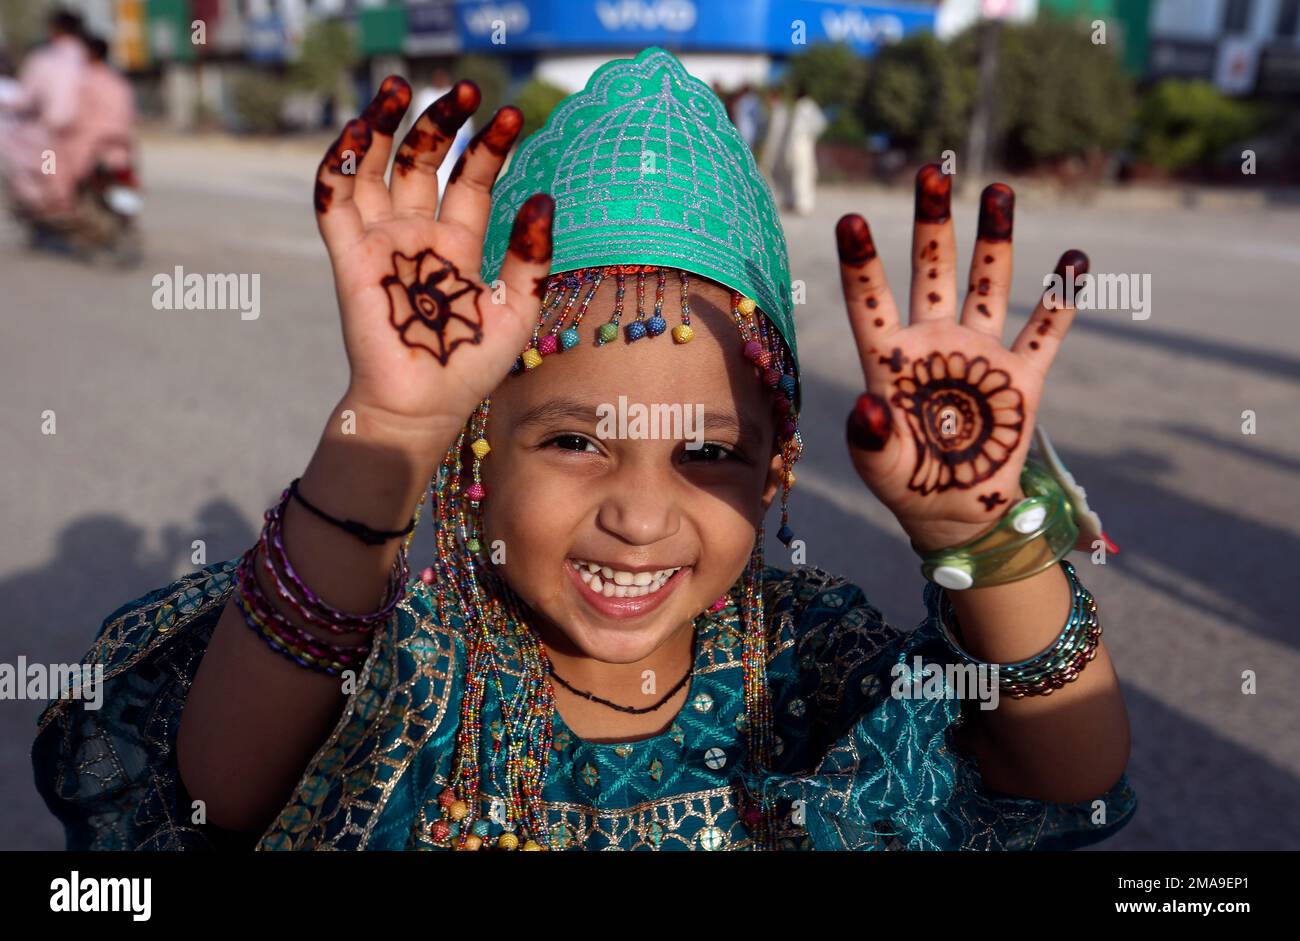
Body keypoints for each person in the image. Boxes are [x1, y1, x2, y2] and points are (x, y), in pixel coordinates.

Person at [34, 48, 1135, 851]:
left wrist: (980, 536)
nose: (641, 517)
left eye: (707, 457)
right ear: (479, 450)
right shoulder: (411, 661)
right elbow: (211, 806)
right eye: (573, 440)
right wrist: (393, 428)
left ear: (777, 470)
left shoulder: (812, 661)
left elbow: (1065, 778)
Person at [0, 9, 87, 219]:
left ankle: (44, 210)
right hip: (84, 133)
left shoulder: (46, 60)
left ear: (54, 30)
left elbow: (25, 99)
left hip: (52, 136)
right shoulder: (88, 58)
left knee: (42, 170)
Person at [62, 36, 136, 187]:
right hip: (120, 141)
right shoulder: (119, 82)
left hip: (91, 144)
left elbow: (72, 115)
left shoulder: (82, 81)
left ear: (90, 54)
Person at [394, 66, 473, 205]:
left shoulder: (456, 95)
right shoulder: (426, 96)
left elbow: (466, 126)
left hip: (452, 147)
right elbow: (416, 121)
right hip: (428, 145)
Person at [782, 83, 828, 216]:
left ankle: (803, 204)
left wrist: (809, 137)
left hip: (803, 145)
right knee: (796, 173)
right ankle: (795, 201)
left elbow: (819, 124)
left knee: (803, 173)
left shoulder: (806, 106)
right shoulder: (800, 106)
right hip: (798, 144)